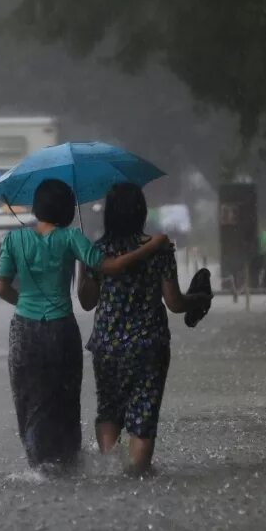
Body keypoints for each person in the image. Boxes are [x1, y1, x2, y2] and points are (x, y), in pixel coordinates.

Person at [0, 178, 169, 470]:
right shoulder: (72, 238)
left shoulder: (13, 240)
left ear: (37, 207)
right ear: (66, 210)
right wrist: (152, 246)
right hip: (62, 329)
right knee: (65, 400)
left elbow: (1, 287)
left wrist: (26, 306)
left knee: (29, 399)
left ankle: (39, 466)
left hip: (24, 332)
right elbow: (111, 267)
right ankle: (68, 464)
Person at [77, 182, 212, 473]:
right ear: (140, 213)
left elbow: (87, 302)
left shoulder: (98, 251)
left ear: (109, 215)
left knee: (109, 410)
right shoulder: (159, 250)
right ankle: (136, 473)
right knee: (143, 414)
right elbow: (174, 302)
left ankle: (110, 472)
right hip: (148, 345)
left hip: (107, 345)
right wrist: (199, 299)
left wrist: (82, 265)